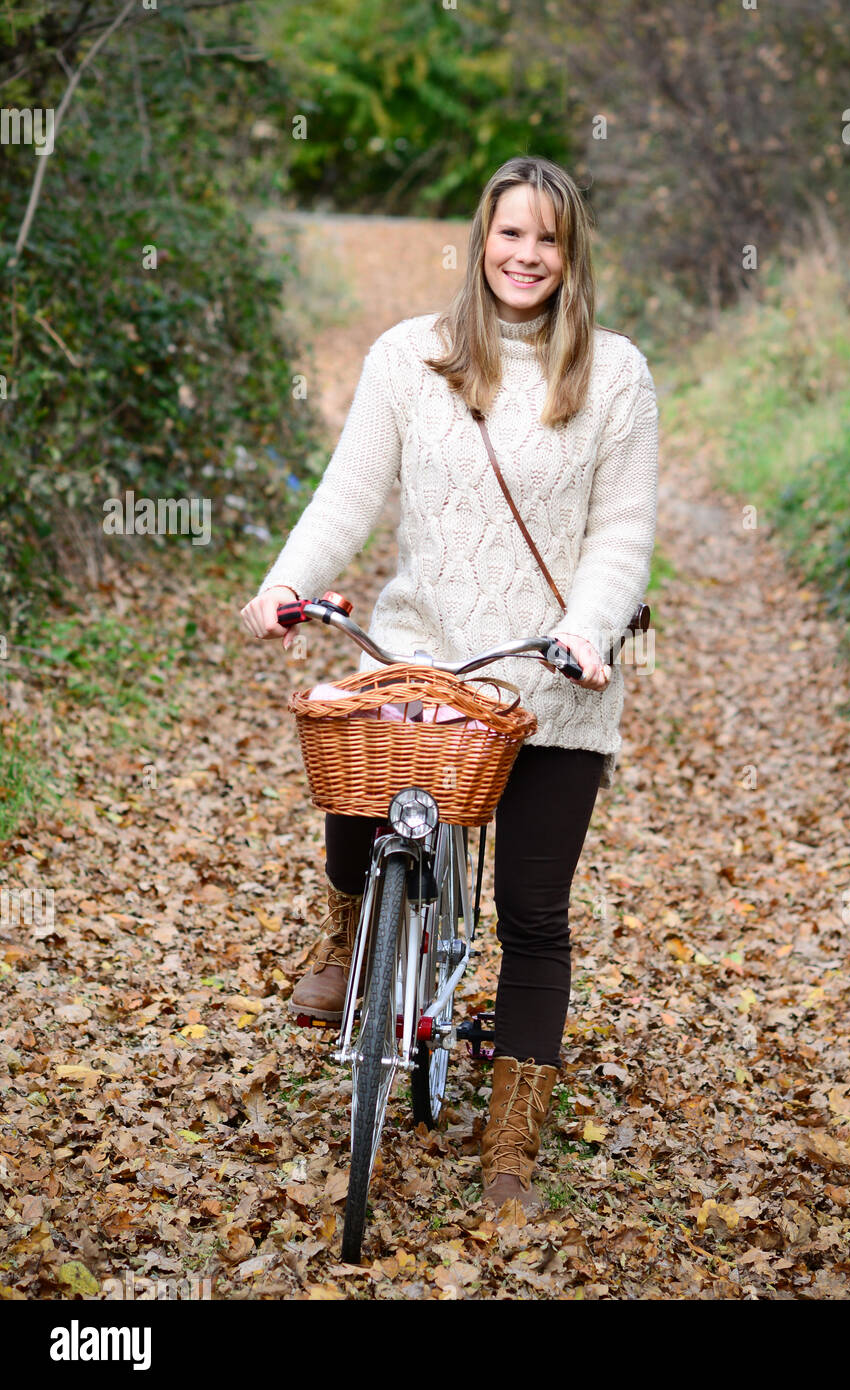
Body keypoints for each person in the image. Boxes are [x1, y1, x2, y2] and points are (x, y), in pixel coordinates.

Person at [239, 155, 659, 1214]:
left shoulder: (616, 375)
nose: (526, 256)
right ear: (482, 240)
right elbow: (350, 492)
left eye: (548, 240)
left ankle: (510, 1140)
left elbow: (622, 531)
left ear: (573, 256)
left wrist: (586, 628)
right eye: (510, 234)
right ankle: (346, 928)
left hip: (548, 674)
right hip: (424, 661)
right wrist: (290, 581)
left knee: (532, 908)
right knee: (354, 771)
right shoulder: (407, 358)